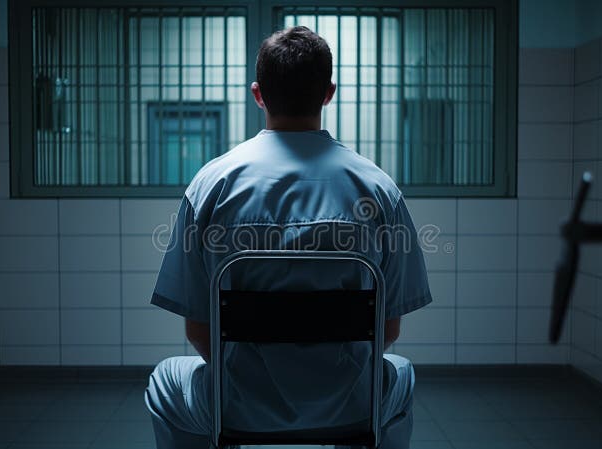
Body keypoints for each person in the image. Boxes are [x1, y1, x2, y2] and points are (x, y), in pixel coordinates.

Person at [145, 26, 432, 449]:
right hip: (353, 404)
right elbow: (387, 328)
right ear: (328, 93)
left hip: (236, 405)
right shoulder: (378, 188)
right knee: (401, 373)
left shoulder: (212, 184)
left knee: (165, 381)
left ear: (258, 94)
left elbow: (198, 330)